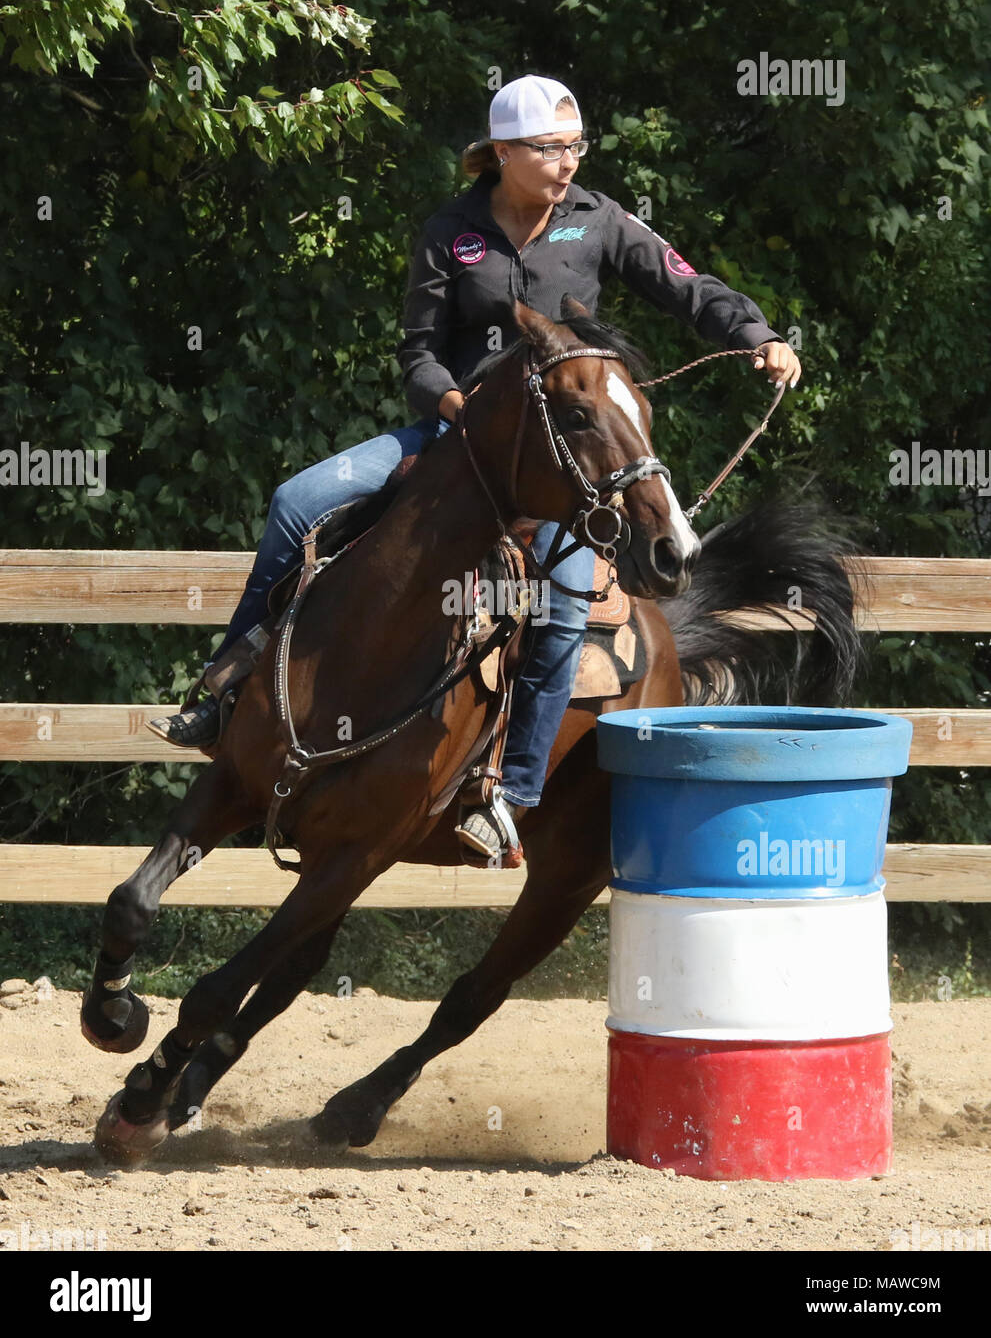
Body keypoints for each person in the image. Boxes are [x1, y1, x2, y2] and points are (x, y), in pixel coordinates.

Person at [149, 74, 801, 863]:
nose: (567, 162)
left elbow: (683, 283)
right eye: (550, 148)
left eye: (575, 146)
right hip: (453, 440)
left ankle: (510, 793)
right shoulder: (449, 231)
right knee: (298, 499)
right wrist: (454, 407)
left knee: (565, 601)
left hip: (559, 460)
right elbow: (417, 351)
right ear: (502, 152)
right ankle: (227, 684)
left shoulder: (599, 222)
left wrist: (757, 333)